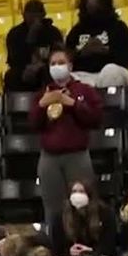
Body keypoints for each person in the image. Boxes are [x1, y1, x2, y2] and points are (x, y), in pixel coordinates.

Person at [29, 47, 103, 232]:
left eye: (61, 62)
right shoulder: (43, 93)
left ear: (70, 65)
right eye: (53, 63)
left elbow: (96, 118)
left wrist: (72, 104)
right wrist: (41, 105)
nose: (57, 66)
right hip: (49, 159)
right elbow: (33, 124)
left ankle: (86, 240)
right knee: (53, 208)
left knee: (83, 202)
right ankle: (56, 246)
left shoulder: (84, 90)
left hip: (77, 156)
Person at [65, 0, 128, 88]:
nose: (92, 10)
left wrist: (106, 51)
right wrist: (82, 52)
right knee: (68, 77)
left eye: (96, 7)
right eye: (89, 7)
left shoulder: (119, 28)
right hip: (85, 75)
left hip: (113, 73)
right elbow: (67, 58)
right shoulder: (76, 31)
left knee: (110, 71)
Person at [51, 179, 118, 256]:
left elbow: (109, 244)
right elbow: (57, 248)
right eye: (74, 191)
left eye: (81, 191)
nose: (77, 195)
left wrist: (91, 251)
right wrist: (69, 251)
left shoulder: (105, 213)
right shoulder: (61, 216)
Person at [5, 0, 66, 92]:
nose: (34, 18)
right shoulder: (15, 33)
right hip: (23, 68)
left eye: (37, 14)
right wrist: (31, 37)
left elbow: (59, 54)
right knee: (12, 76)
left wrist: (41, 65)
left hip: (46, 67)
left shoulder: (53, 32)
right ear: (24, 15)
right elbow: (14, 59)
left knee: (52, 73)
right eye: (31, 14)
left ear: (43, 15)